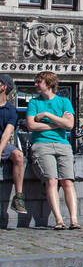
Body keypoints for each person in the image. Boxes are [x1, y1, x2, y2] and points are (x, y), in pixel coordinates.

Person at [25, 71, 80, 230]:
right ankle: (59, 220)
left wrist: (47, 115)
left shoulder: (64, 102)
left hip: (63, 144)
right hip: (41, 144)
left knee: (68, 181)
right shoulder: (34, 103)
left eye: (38, 82)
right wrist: (58, 123)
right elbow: (31, 126)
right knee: (52, 180)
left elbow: (70, 125)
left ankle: (74, 220)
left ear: (48, 84)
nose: (35, 84)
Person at [0, 73, 26, 216]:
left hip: (1, 144)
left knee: (18, 154)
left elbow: (7, 134)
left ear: (3, 87)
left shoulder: (11, 111)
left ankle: (19, 197)